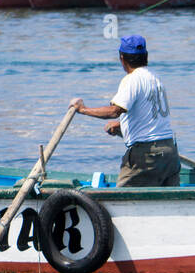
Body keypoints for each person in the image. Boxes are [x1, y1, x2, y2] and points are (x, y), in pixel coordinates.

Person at [71, 35, 179, 188]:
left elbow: (114, 111)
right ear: (146, 56)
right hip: (169, 152)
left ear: (122, 58)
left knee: (120, 197)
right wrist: (122, 126)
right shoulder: (156, 77)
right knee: (168, 202)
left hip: (147, 156)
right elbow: (149, 119)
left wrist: (82, 109)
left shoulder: (132, 79)